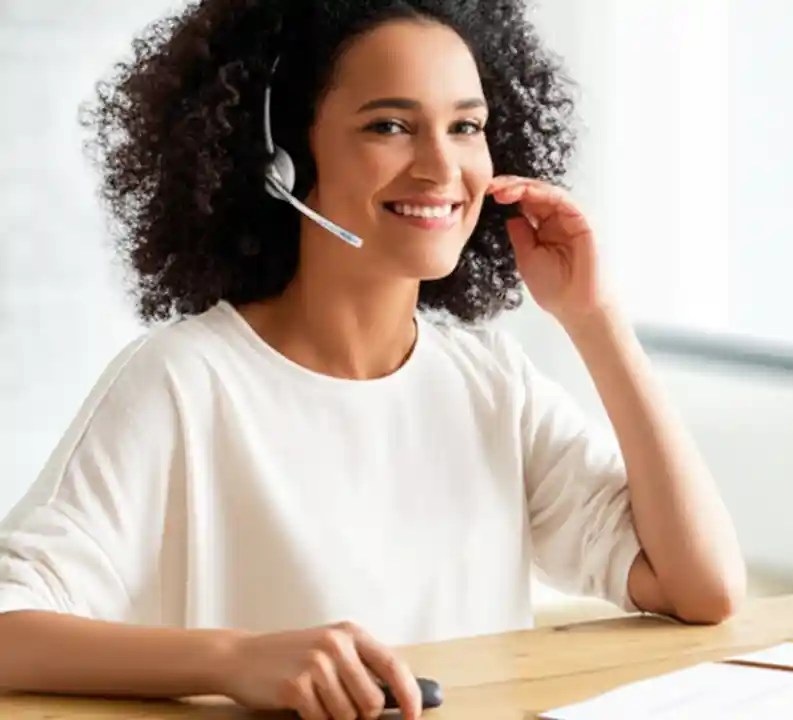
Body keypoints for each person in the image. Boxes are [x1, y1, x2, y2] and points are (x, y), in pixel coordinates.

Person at [0, 1, 745, 717]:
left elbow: (702, 586)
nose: (440, 167)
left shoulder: (492, 385)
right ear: (283, 156)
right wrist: (233, 661)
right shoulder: (185, 382)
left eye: (466, 127)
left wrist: (595, 319)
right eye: (390, 125)